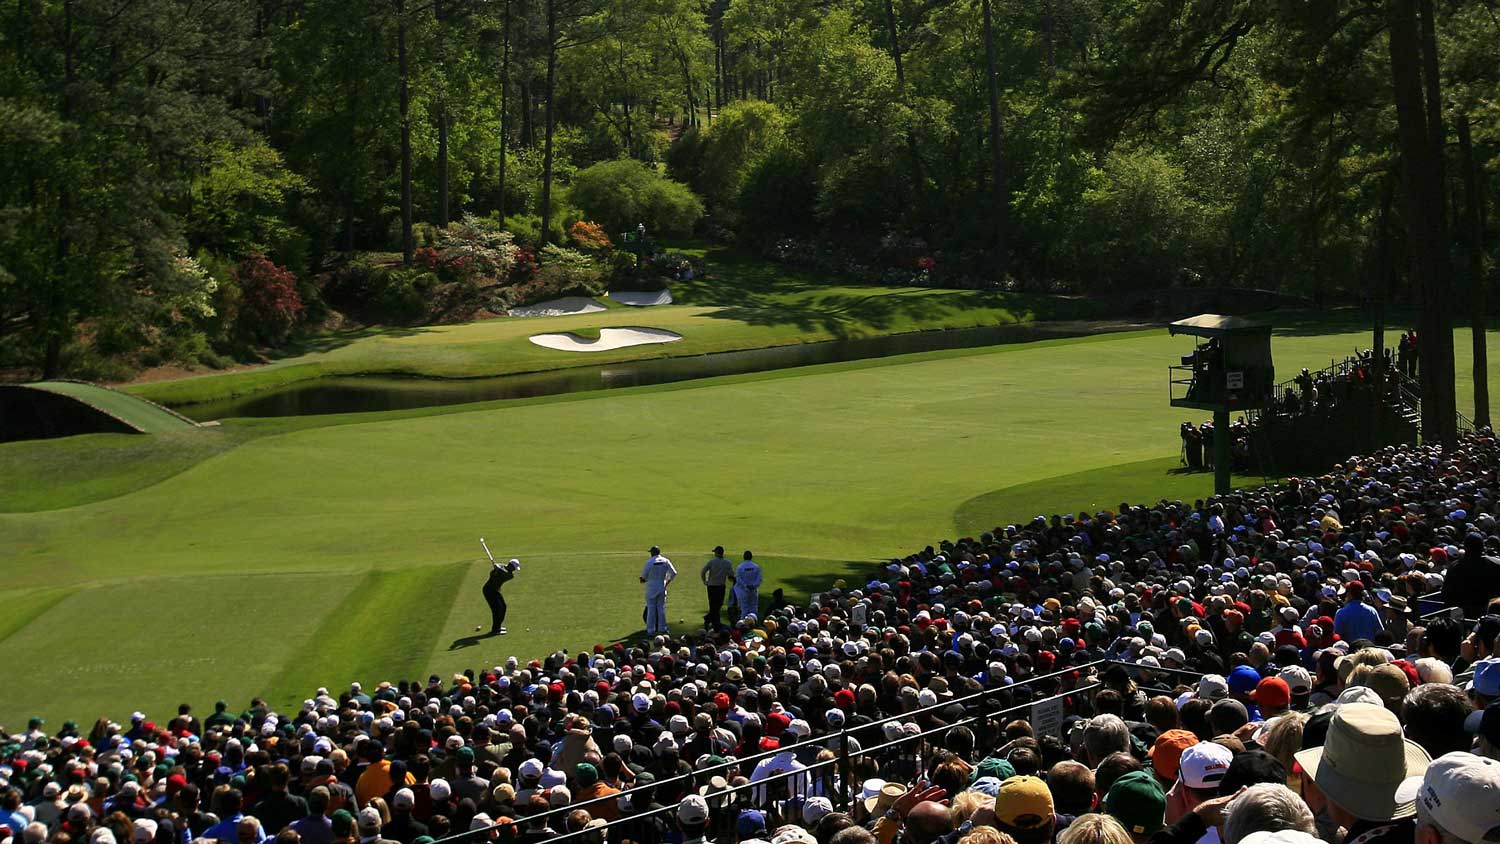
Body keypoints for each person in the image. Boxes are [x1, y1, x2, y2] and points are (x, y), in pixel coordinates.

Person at [641, 546, 677, 636]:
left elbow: (643, 577)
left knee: (651, 608)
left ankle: (650, 630)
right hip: (662, 586)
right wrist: (667, 582)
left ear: (652, 553)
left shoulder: (649, 562)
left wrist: (643, 580)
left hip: (652, 587)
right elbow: (674, 573)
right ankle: (662, 628)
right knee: (661, 608)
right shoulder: (665, 560)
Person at [482, 557, 520, 635]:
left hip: (495, 591)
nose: (515, 570)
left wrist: (497, 568)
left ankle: (498, 626)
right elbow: (493, 573)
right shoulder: (500, 569)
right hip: (489, 590)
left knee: (503, 607)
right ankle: (495, 629)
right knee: (497, 610)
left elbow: (504, 572)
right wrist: (497, 567)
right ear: (510, 566)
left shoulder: (510, 575)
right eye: (514, 568)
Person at [701, 546, 734, 627]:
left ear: (716, 553)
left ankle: (709, 619)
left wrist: (705, 581)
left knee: (713, 604)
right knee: (718, 604)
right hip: (721, 586)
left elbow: (703, 572)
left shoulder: (712, 562)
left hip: (711, 586)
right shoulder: (727, 563)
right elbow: (731, 575)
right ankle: (715, 621)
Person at [733, 551, 763, 621]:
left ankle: (743, 624)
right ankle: (754, 622)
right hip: (753, 590)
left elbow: (738, 579)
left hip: (744, 591)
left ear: (744, 557)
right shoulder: (756, 567)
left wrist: (746, 586)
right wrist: (754, 585)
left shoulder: (740, 567)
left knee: (744, 608)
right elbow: (759, 579)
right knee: (754, 608)